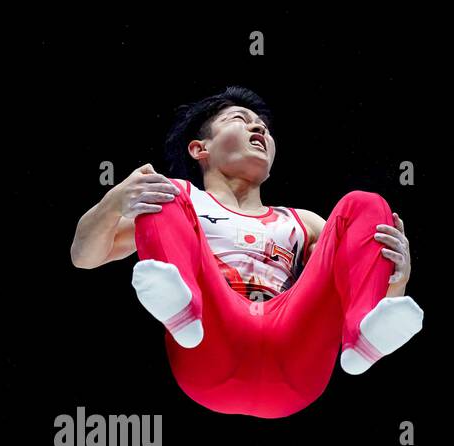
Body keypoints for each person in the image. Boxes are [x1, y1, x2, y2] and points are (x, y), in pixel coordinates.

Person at [70, 86, 424, 419]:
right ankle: (182, 309)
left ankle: (361, 338)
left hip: (294, 353)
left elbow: (341, 284)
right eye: (239, 119)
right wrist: (115, 200)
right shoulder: (183, 202)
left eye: (265, 127)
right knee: (160, 190)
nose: (258, 126)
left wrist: (395, 279)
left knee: (365, 204)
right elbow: (84, 256)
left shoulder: (305, 223)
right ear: (199, 149)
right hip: (208, 343)